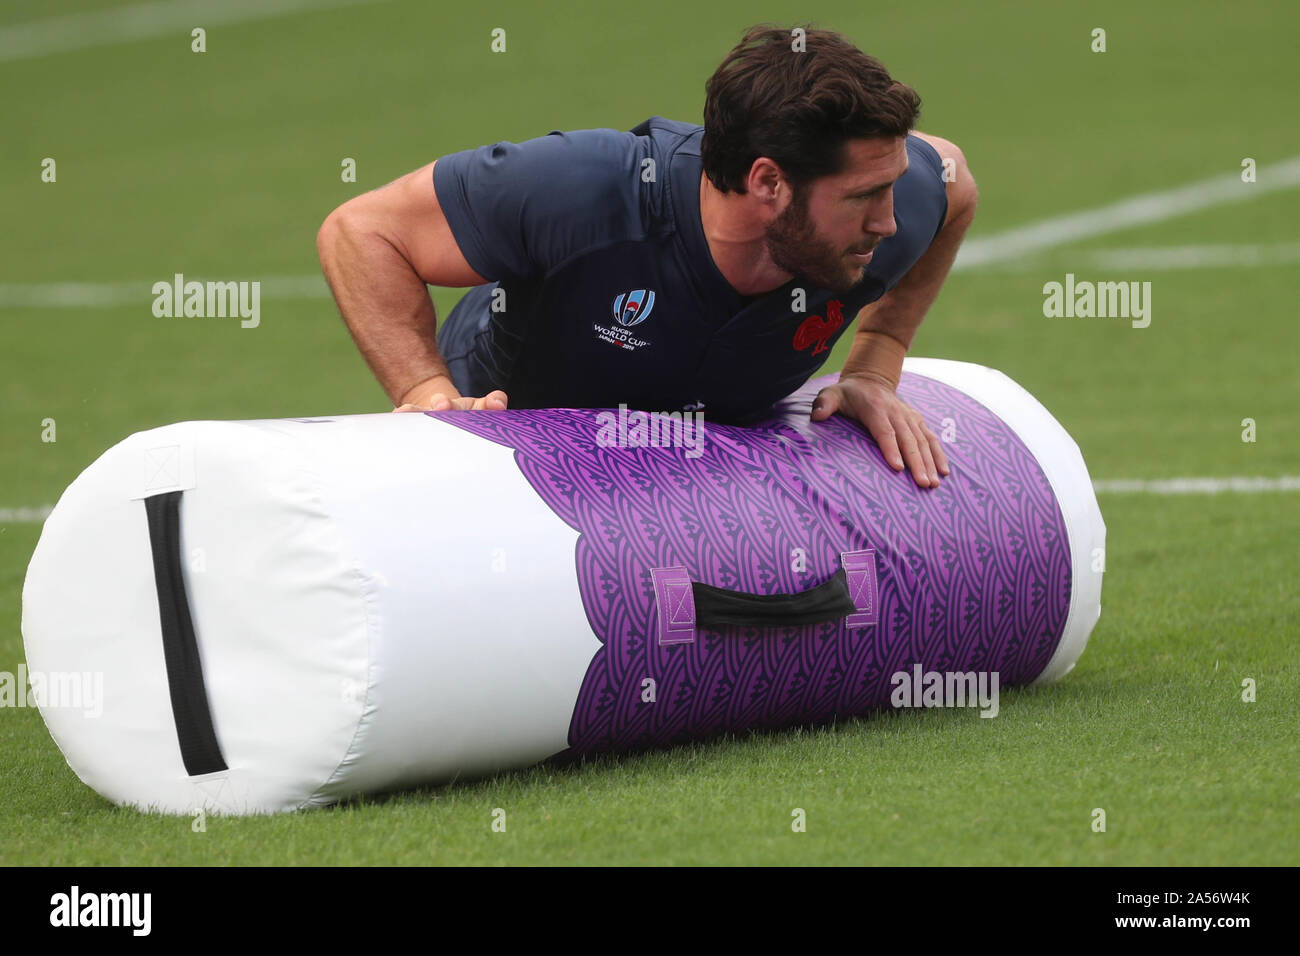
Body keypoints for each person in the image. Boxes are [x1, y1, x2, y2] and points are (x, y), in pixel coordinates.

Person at [317, 25, 977, 488]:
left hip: (699, 450)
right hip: (514, 429)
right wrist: (429, 398)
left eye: (890, 186)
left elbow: (955, 181)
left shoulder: (903, 202)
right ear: (768, 183)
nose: (889, 220)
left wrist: (878, 358)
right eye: (863, 196)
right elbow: (362, 230)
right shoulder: (583, 189)